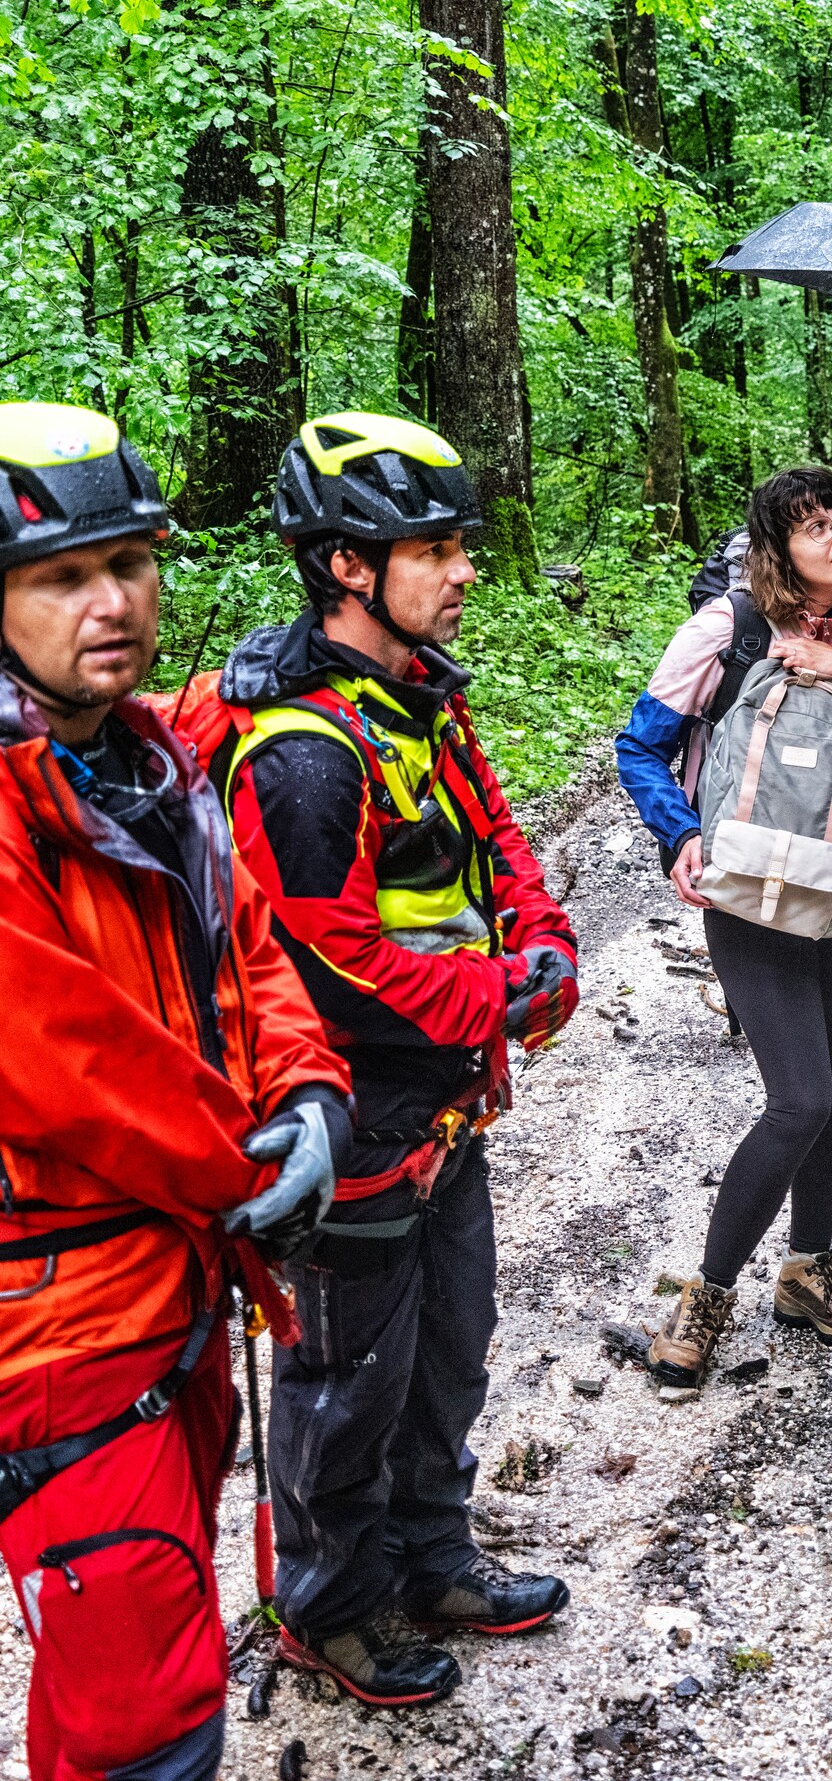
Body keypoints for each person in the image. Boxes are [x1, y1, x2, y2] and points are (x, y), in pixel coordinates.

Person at [197, 412, 579, 1707]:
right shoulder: (306, 753)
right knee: (343, 1382)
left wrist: (547, 945)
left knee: (450, 1349)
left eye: (463, 543)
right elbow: (325, 962)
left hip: (447, 1109)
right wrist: (498, 995)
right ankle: (331, 1606)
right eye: (438, 545)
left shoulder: (419, 703)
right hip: (351, 1125)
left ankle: (433, 1558)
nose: (467, 567)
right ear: (351, 565)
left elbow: (500, 846)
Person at [0, 402, 344, 1781]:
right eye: (62, 577)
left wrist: (310, 1089)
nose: (114, 601)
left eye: (131, 563)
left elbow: (247, 948)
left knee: (157, 1629)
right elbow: (59, 1049)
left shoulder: (151, 763)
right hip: (61, 1314)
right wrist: (243, 1161)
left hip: (179, 1278)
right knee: (137, 1709)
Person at [614, 466, 832, 1384]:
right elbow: (641, 745)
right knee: (802, 1098)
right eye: (809, 523)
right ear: (776, 548)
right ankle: (707, 1295)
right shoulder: (732, 625)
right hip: (751, 897)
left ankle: (809, 1270)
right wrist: (680, 835)